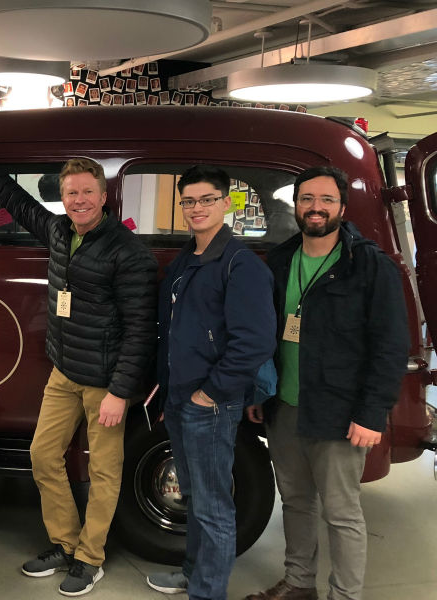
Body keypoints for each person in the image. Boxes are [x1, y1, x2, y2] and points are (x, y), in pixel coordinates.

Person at [0, 134, 156, 596]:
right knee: (43, 456)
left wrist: (120, 391)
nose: (79, 200)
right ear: (63, 197)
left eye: (88, 191)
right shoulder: (60, 231)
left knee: (104, 472)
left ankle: (91, 559)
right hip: (64, 373)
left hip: (105, 383)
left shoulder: (129, 254)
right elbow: (21, 204)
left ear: (104, 197)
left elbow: (141, 330)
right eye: (71, 192)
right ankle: (65, 545)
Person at [244, 167, 409, 600]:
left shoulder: (369, 266)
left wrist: (371, 414)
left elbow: (391, 347)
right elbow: (266, 332)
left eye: (326, 199)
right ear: (296, 205)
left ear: (341, 207)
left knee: (341, 513)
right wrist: (261, 392)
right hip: (285, 406)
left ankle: (345, 594)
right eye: (307, 199)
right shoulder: (280, 260)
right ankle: (300, 584)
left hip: (339, 411)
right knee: (296, 502)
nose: (315, 208)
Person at [146, 166, 276, 599]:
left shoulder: (241, 265)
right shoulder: (188, 260)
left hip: (210, 403)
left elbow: (254, 342)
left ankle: (207, 592)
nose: (196, 208)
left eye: (206, 199)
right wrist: (170, 392)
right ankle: (192, 573)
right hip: (182, 397)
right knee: (195, 498)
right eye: (189, 201)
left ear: (226, 203)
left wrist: (210, 394)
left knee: (214, 505)